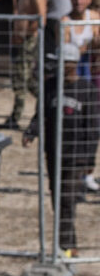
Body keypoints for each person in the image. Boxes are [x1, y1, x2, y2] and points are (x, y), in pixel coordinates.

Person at [25, 42, 99, 257]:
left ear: (72, 64)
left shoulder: (86, 89)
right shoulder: (50, 86)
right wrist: (31, 132)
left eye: (62, 63)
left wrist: (89, 160)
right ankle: (66, 242)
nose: (57, 67)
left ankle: (67, 245)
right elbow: (41, 114)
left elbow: (93, 126)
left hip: (76, 154)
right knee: (57, 197)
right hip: (54, 151)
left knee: (67, 198)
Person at [7, 0, 46, 130]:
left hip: (28, 42)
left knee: (21, 79)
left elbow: (41, 19)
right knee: (27, 79)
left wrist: (25, 35)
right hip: (20, 40)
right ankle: (46, 101)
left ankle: (16, 116)